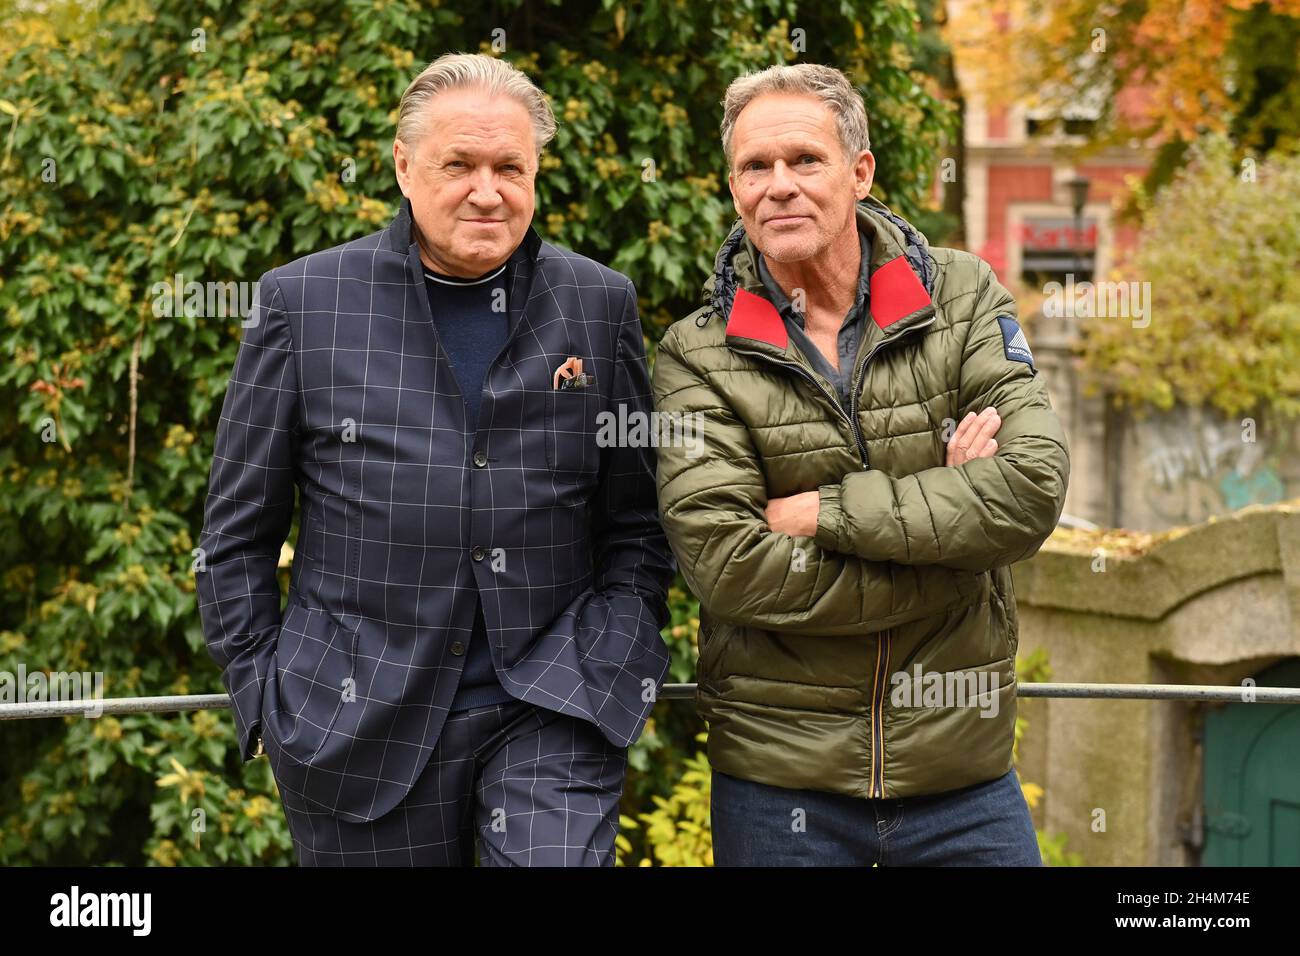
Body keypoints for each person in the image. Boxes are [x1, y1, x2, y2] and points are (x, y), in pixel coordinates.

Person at [196, 52, 674, 866]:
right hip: (351, 725)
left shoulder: (597, 303)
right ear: (404, 165)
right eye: (460, 164)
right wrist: (265, 700)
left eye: (509, 167)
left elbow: (637, 519)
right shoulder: (303, 303)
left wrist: (615, 651)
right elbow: (235, 535)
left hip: (552, 705)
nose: (487, 191)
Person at [651, 63, 1070, 866]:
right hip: (781, 787)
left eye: (804, 160)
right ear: (734, 186)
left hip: (965, 780)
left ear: (860, 171)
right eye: (755, 167)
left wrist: (826, 514)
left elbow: (1029, 488)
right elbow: (730, 566)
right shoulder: (696, 352)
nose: (779, 186)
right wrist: (952, 546)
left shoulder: (961, 295)